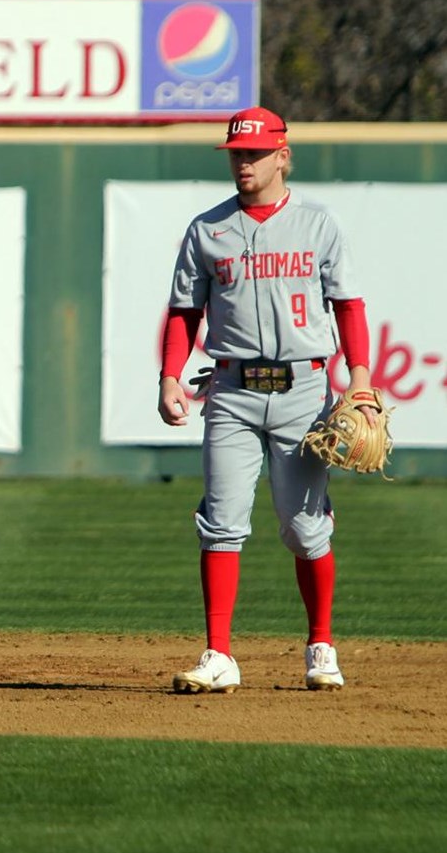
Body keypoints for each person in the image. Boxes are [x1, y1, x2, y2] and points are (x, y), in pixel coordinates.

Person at [158, 106, 380, 694]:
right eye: (237, 153)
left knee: (306, 528)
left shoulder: (318, 224)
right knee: (220, 521)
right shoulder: (208, 229)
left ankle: (321, 644)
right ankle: (219, 653)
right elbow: (185, 312)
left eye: (255, 153)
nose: (244, 163)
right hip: (229, 390)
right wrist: (169, 377)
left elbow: (348, 305)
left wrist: (358, 378)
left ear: (284, 155)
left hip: (304, 389)